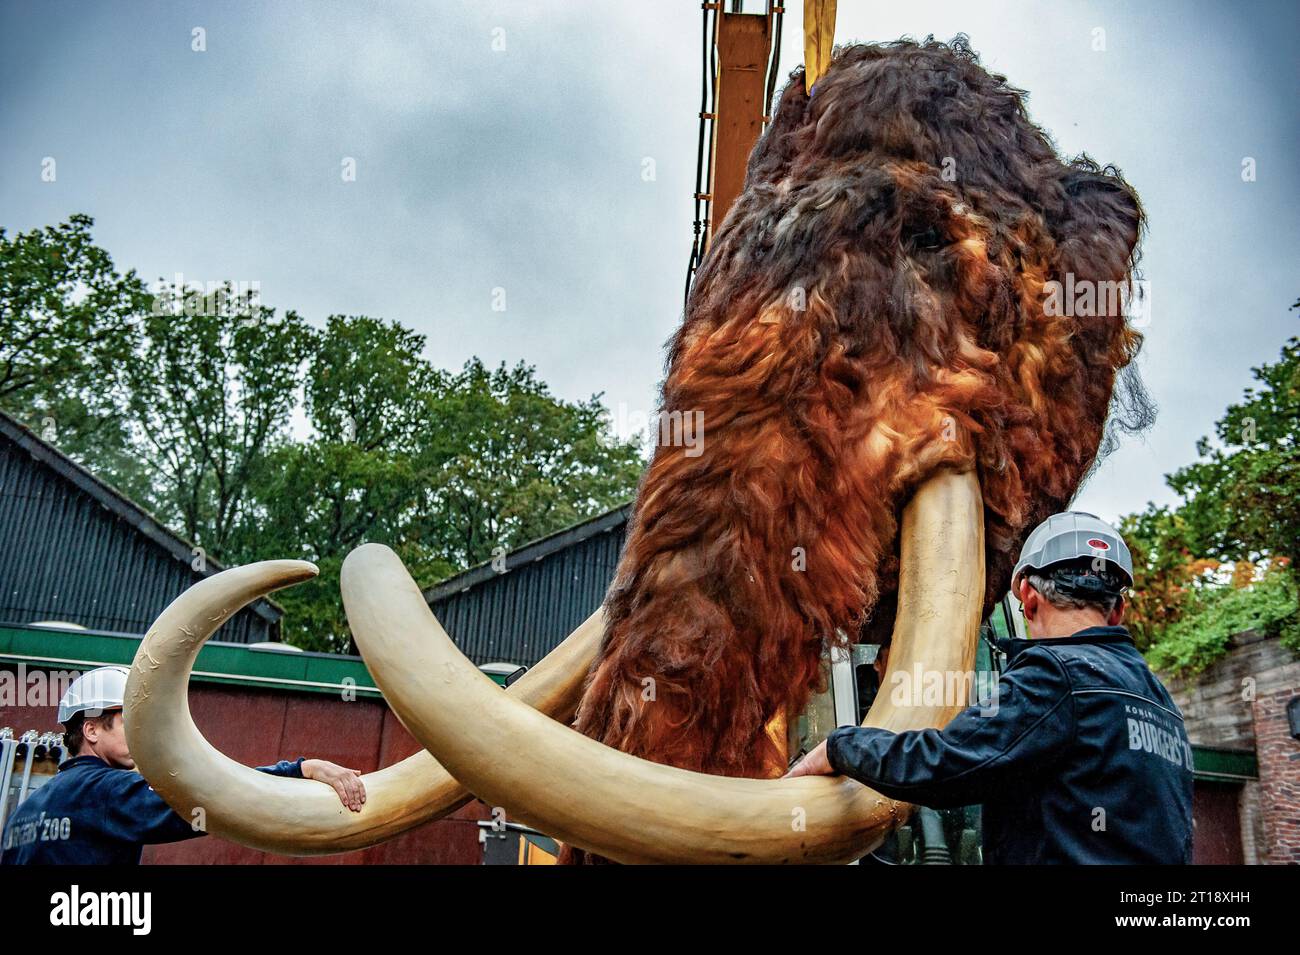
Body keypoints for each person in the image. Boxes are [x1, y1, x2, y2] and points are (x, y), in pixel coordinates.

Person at [786, 511, 1195, 864]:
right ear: (1118, 610)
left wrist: (841, 747)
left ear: (1029, 598)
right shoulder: (1159, 700)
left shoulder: (1055, 676)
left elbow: (945, 765)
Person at [1, 665, 366, 864]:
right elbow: (214, 795)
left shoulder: (24, 814)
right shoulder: (106, 792)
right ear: (92, 729)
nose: (143, 732)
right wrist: (299, 770)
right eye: (130, 719)